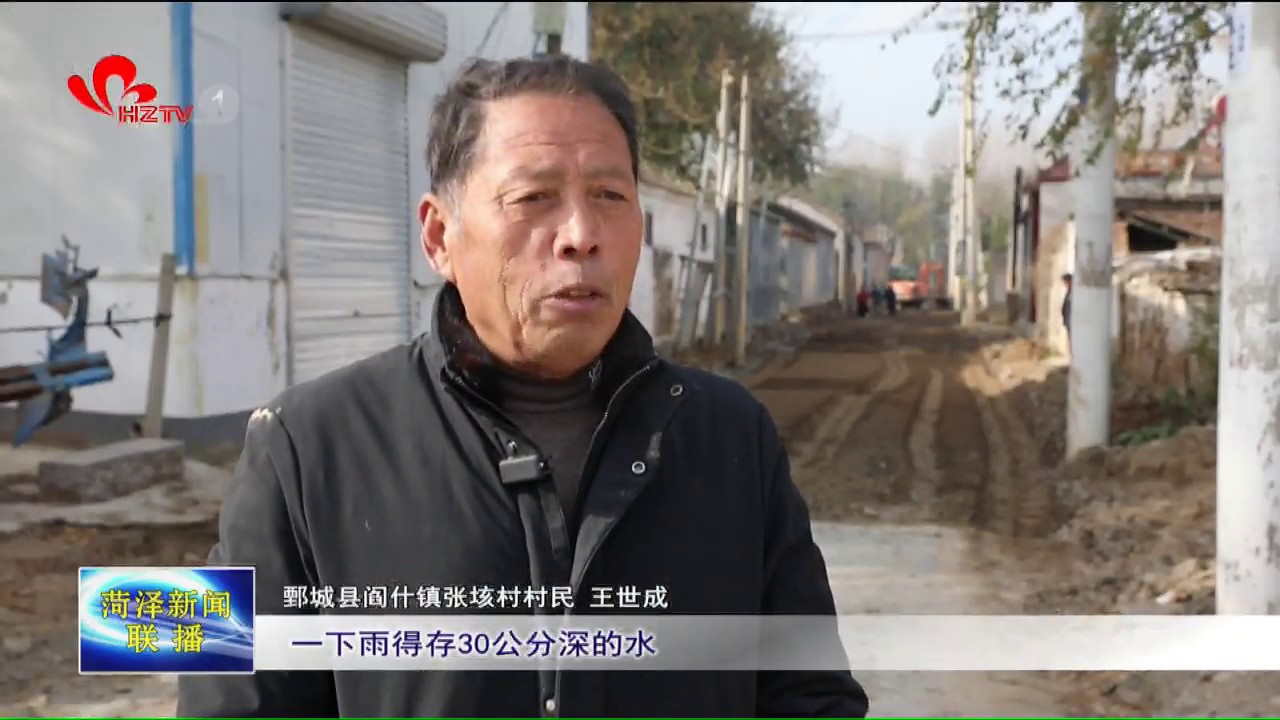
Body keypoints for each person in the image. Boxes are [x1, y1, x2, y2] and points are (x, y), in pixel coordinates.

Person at [177, 56, 868, 718]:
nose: (581, 235)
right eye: (533, 198)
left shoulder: (730, 436)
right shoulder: (302, 449)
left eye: (610, 196)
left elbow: (811, 697)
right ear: (440, 236)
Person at [1061, 272, 1073, 344]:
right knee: (1070, 339)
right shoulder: (1068, 292)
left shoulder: (1074, 292)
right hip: (1068, 321)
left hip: (1072, 322)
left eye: (1066, 281)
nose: (1065, 284)